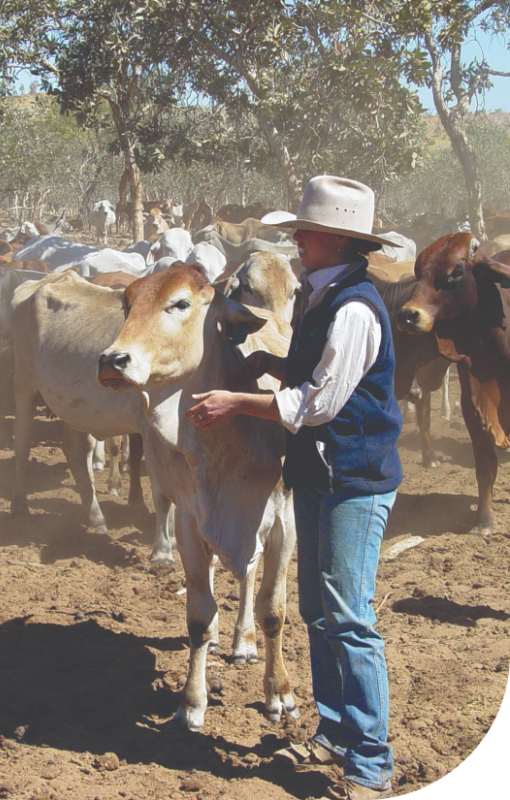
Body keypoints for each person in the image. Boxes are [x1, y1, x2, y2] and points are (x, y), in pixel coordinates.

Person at [185, 175, 404, 800]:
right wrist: (269, 364)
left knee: (350, 618)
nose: (295, 240)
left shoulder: (356, 306)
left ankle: (370, 760)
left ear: (333, 239)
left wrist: (238, 400)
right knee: (317, 610)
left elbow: (319, 404)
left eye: (303, 232)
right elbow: (310, 375)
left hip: (353, 480)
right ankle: (335, 731)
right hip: (321, 473)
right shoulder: (319, 295)